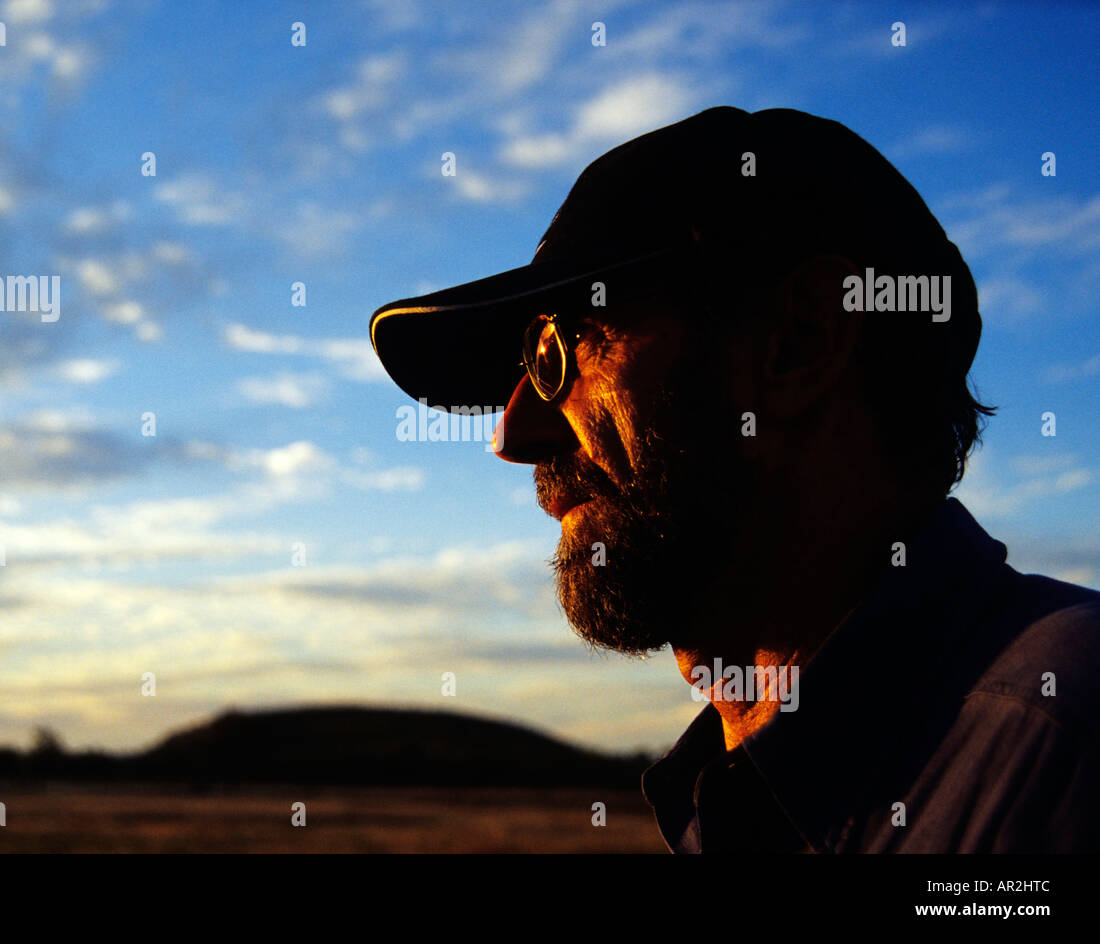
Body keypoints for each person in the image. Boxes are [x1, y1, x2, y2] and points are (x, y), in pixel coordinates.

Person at [368, 106, 1100, 853]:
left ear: (801, 342)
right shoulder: (728, 800)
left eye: (562, 348)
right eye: (520, 374)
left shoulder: (1064, 752)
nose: (512, 438)